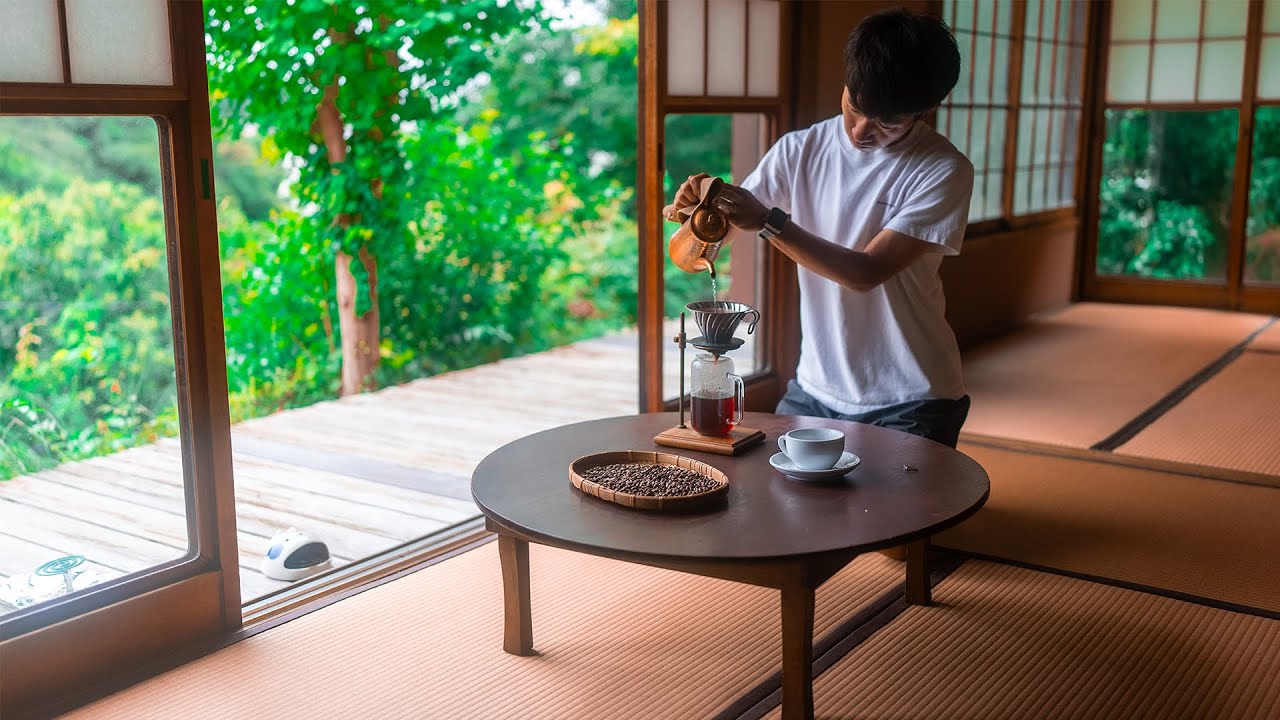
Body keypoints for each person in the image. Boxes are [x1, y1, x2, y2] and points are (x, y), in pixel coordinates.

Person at [664, 7, 974, 451]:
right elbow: (715, 242)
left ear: (927, 110)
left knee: (898, 519)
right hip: (813, 389)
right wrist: (702, 212)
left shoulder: (943, 170)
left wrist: (769, 222)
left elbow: (865, 272)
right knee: (790, 512)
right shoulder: (798, 149)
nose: (863, 132)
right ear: (846, 84)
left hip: (911, 395)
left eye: (888, 123)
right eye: (855, 108)